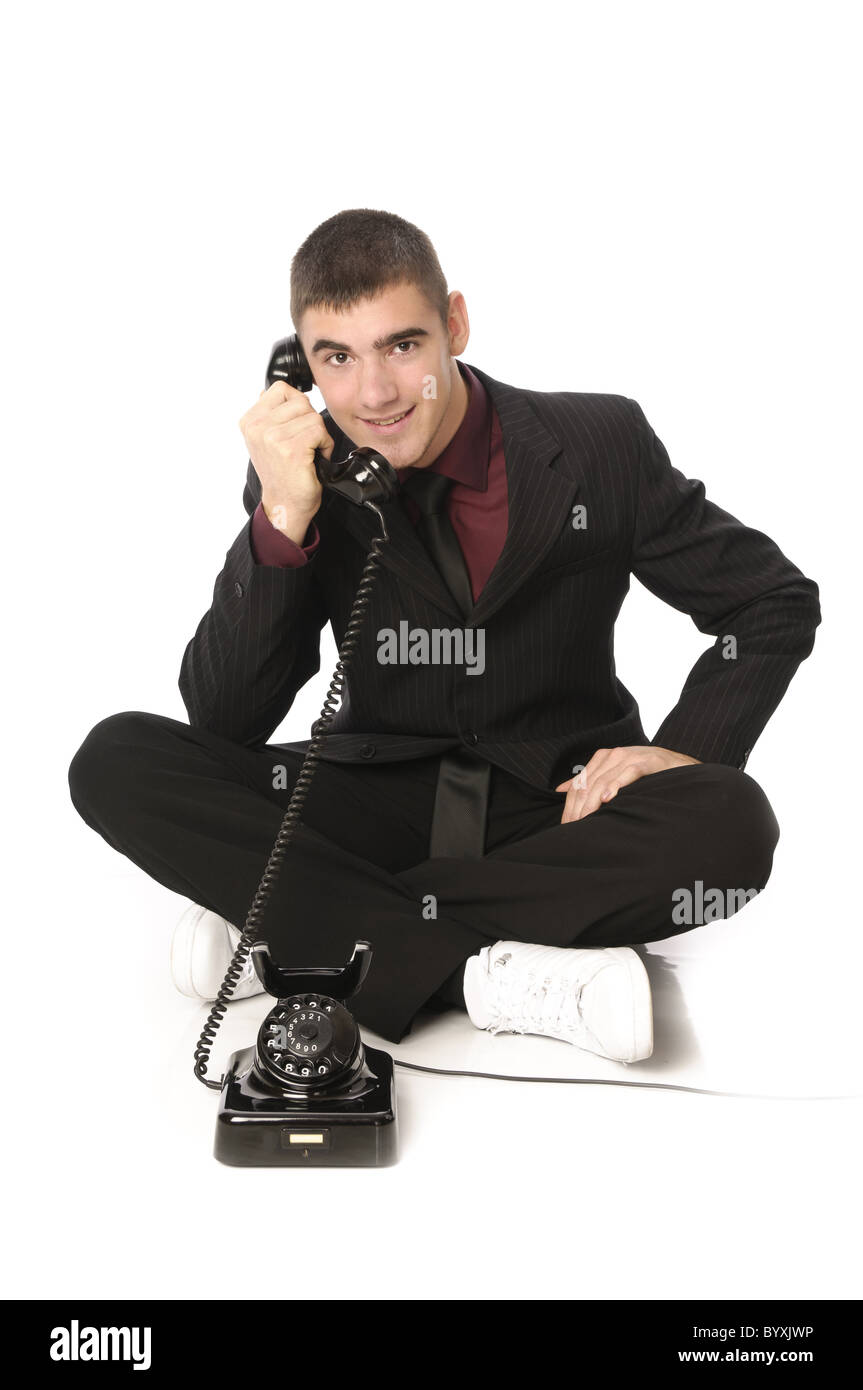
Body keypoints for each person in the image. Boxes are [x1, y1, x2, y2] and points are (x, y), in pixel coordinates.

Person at [67, 208, 820, 1065]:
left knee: (730, 825)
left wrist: (681, 751)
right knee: (114, 757)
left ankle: (296, 928)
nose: (375, 394)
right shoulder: (300, 469)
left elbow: (770, 601)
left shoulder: (597, 441)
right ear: (300, 366)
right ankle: (480, 973)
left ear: (454, 323)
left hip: (556, 803)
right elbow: (223, 717)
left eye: (402, 345)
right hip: (374, 795)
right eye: (335, 359)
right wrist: (283, 516)